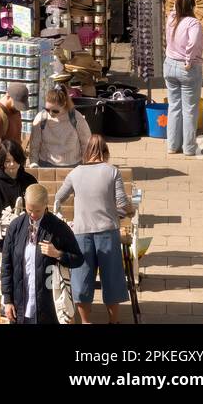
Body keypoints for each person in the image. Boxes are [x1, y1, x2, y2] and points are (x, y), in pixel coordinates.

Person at [55, 136, 135, 323]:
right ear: (106, 152)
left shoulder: (75, 173)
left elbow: (58, 198)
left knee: (82, 279)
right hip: (108, 231)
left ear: (86, 153)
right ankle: (113, 322)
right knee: (112, 279)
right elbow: (123, 203)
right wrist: (127, 212)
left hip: (82, 233)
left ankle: (85, 321)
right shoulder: (112, 171)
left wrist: (61, 220)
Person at [0, 183, 84, 325]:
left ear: (46, 205)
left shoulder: (58, 227)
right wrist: (7, 299)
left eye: (37, 211)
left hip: (48, 304)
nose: (33, 215)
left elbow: (78, 259)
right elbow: (7, 265)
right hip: (20, 303)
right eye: (29, 210)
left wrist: (58, 254)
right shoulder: (16, 226)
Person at [0, 139, 37, 282]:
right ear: (1, 161)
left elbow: (39, 207)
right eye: (7, 161)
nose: (11, 165)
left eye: (15, 160)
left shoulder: (29, 181)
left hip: (26, 239)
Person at [164, 0, 203, 156]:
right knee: (189, 109)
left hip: (170, 65)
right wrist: (189, 60)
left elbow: (173, 11)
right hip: (187, 68)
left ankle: (172, 146)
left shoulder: (171, 19)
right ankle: (188, 147)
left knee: (174, 107)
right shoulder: (193, 23)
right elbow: (193, 42)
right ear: (192, 7)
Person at [29, 83, 92, 167]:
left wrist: (87, 164)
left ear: (64, 104)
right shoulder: (41, 118)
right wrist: (33, 163)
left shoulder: (76, 118)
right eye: (47, 109)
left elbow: (87, 142)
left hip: (73, 165)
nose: (50, 114)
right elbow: (34, 145)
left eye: (55, 111)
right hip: (46, 164)